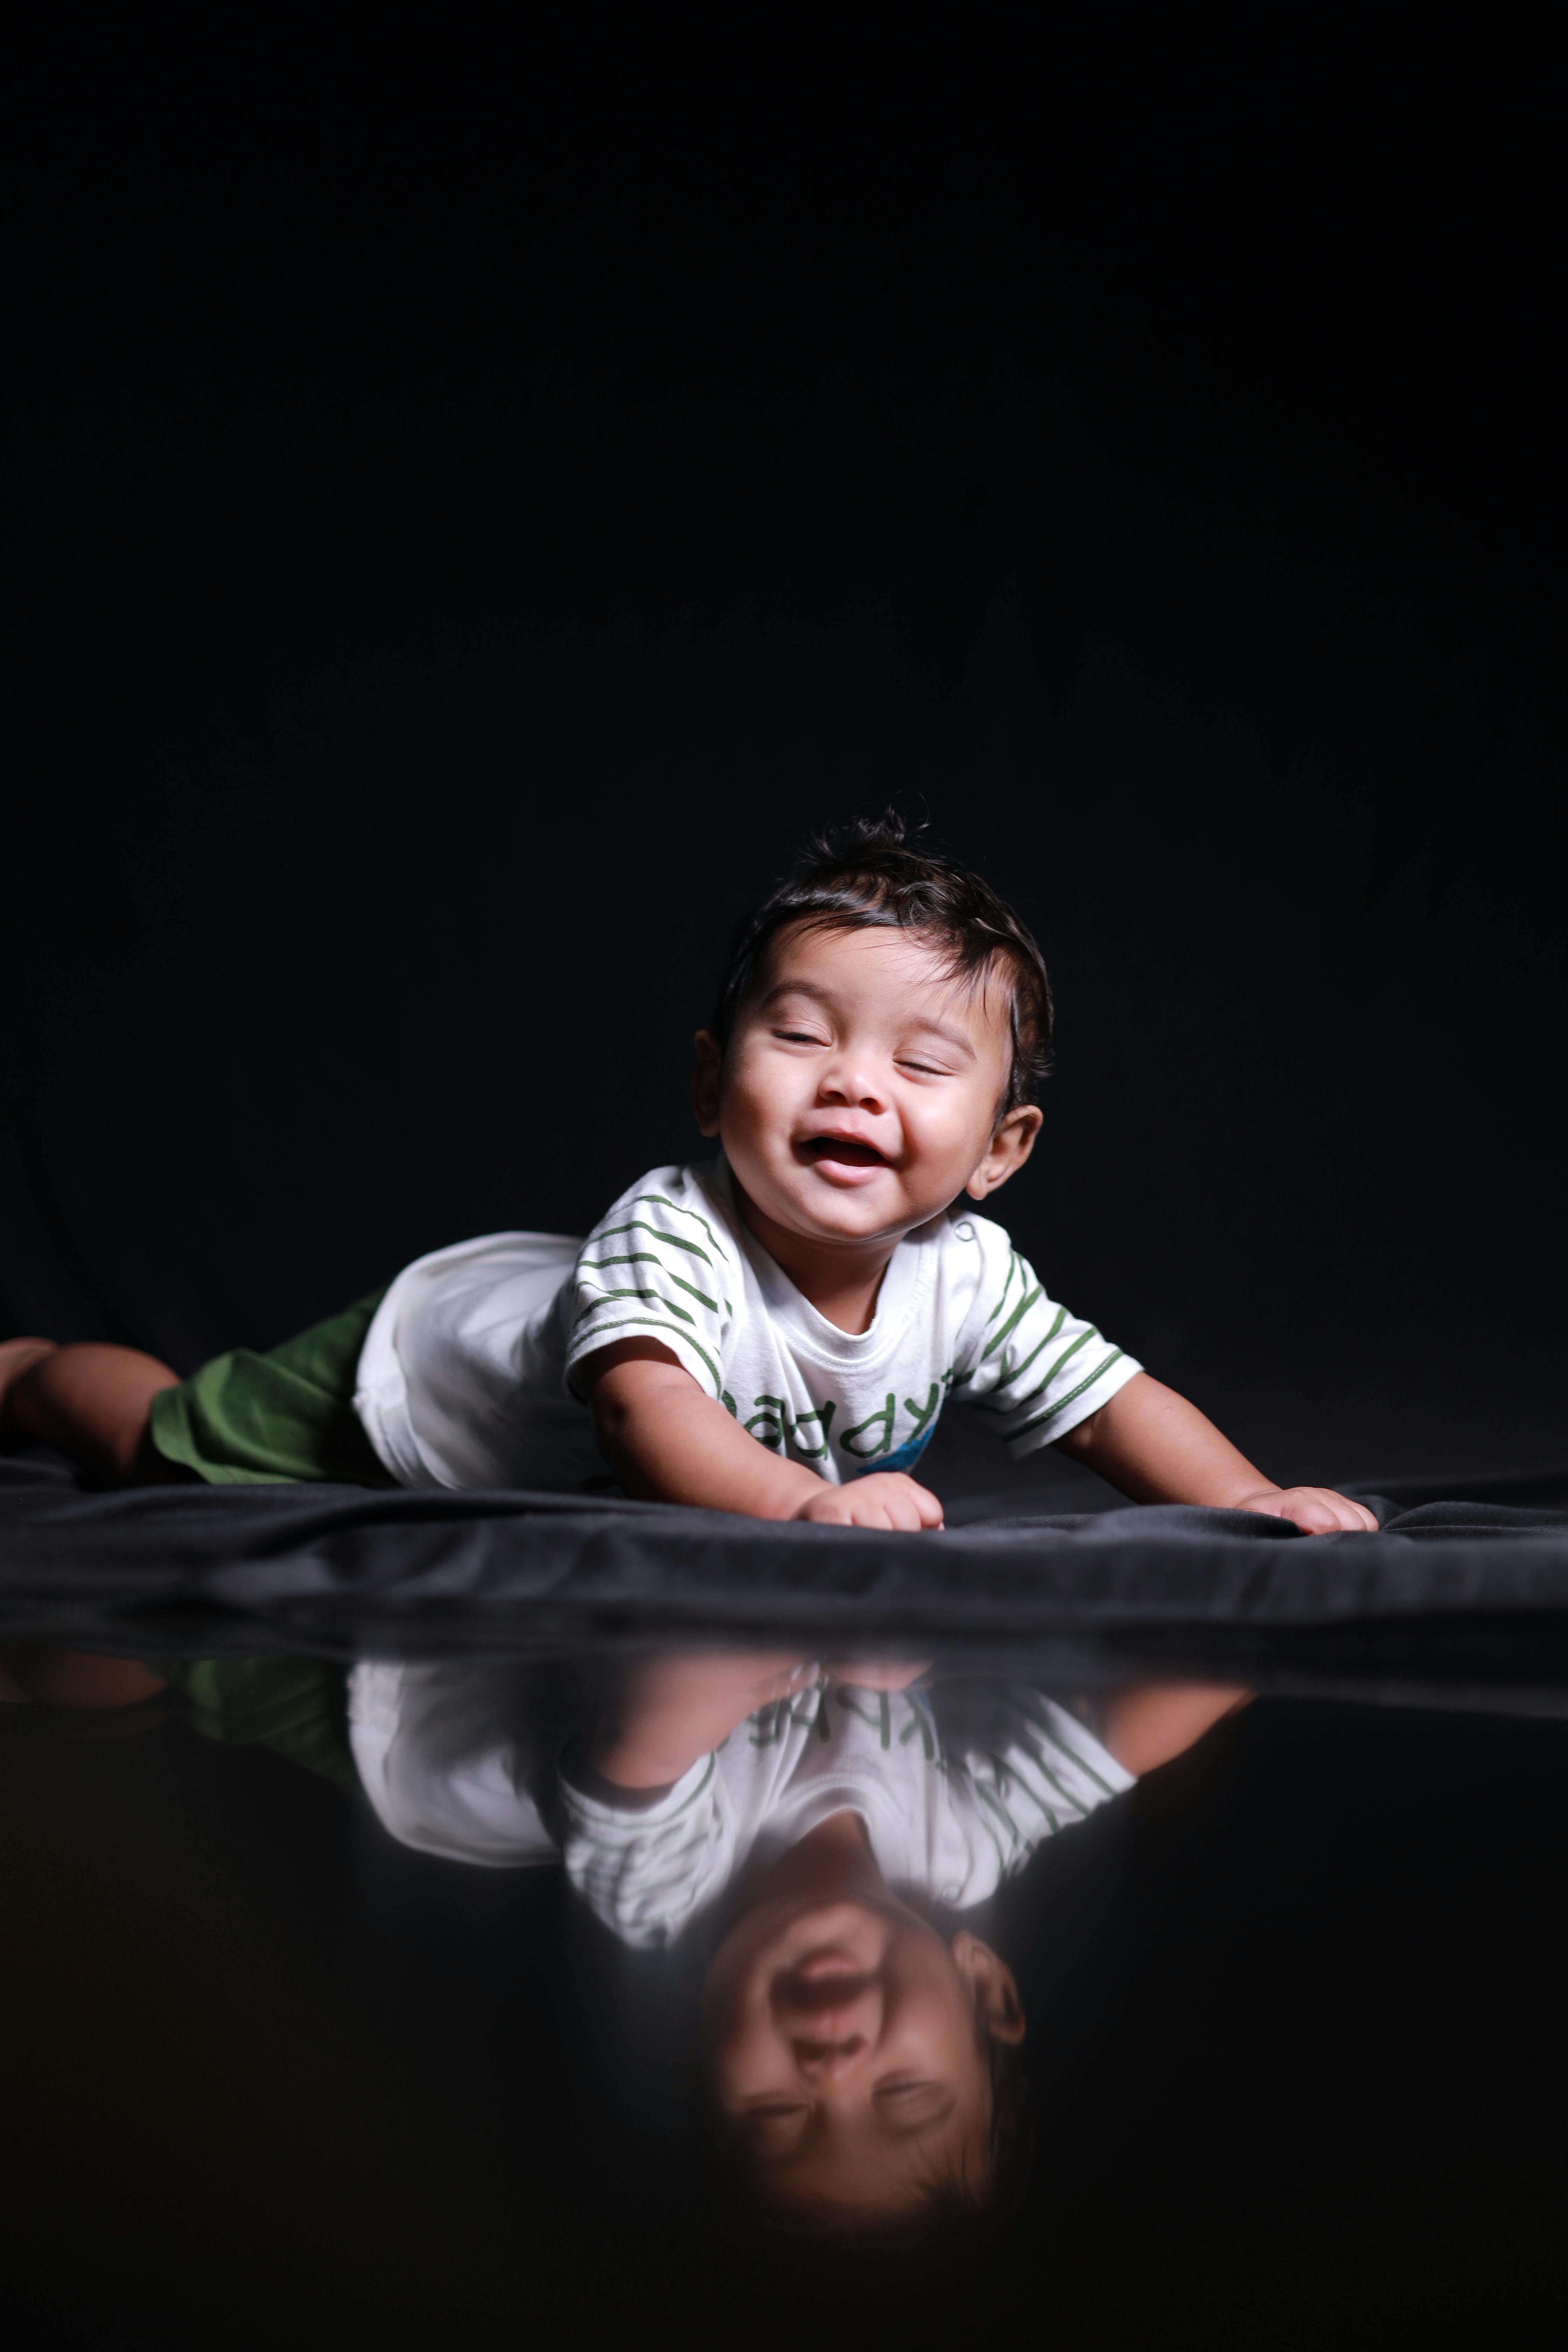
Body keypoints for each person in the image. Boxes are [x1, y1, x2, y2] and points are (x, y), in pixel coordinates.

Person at [0, 812, 1377, 1539]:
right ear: (712, 1084)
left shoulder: (969, 1279)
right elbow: (646, 1420)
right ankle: (25, 1371)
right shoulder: (672, 1234)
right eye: (803, 1036)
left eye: (920, 1064)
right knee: (160, 1443)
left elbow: (1109, 1409)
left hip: (555, 1394)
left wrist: (1248, 1501)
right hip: (421, 1383)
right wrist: (808, 1507)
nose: (853, 1083)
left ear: (998, 1153)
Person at [349, 1643, 1248, 2224]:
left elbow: (657, 1703)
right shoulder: (957, 1850)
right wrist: (1283, 1612)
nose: (835, 2071)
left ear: (704, 2041)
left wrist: (845, 1630)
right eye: (905, 2096)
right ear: (984, 1989)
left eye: (776, 2113)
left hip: (402, 1698)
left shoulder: (664, 1889)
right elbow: (1116, 1733)